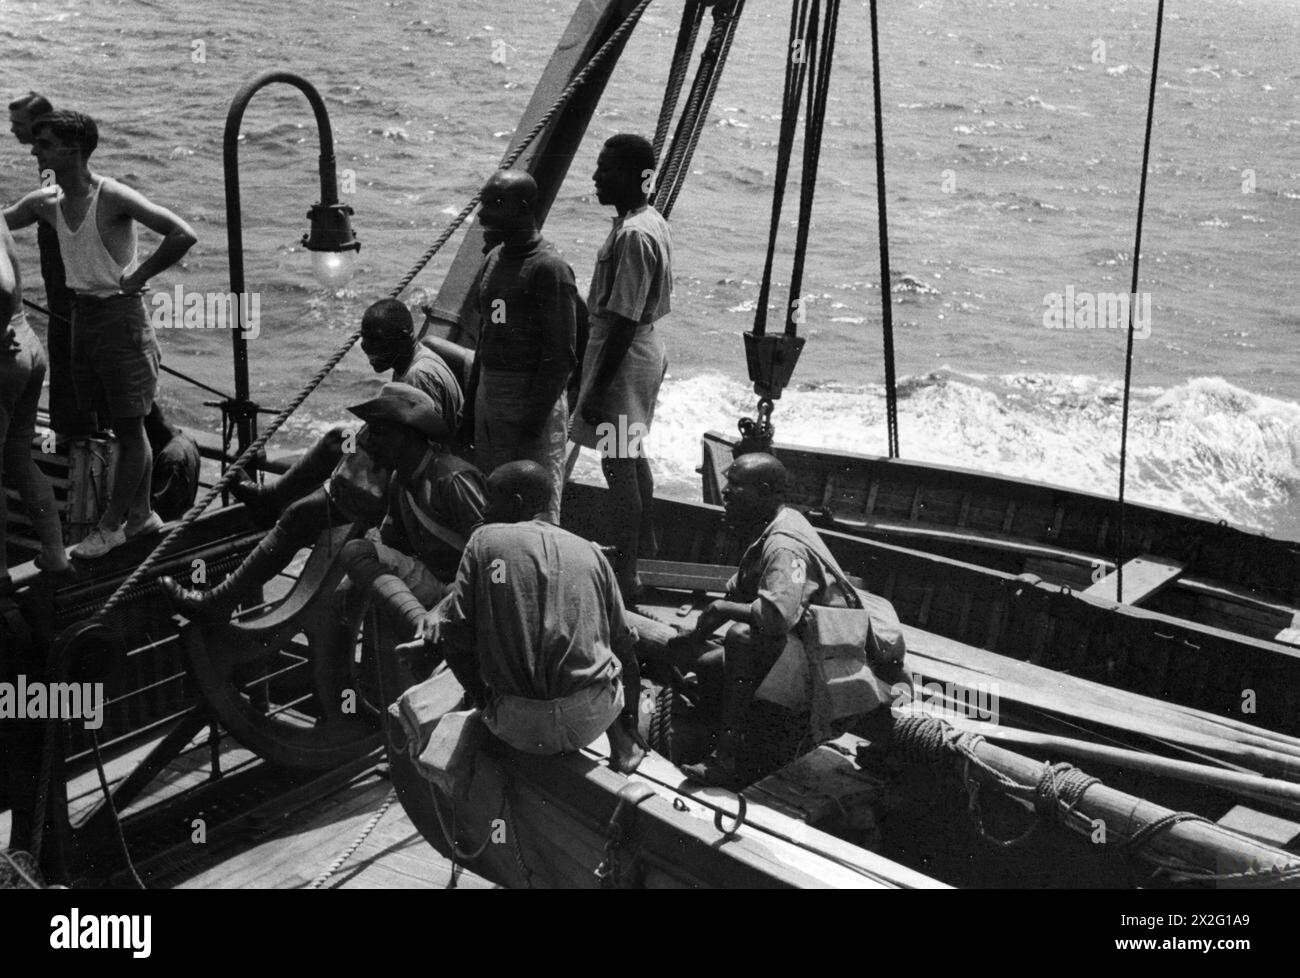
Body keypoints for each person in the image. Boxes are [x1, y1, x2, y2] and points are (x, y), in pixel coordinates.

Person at [4, 110, 197, 559]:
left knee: (130, 429)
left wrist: (139, 275)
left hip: (120, 319)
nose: (35, 151)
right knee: (120, 427)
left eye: (45, 144)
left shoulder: (111, 196)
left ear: (73, 151)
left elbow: (181, 233)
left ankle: (112, 527)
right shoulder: (45, 203)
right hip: (82, 319)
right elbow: (1, 221)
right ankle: (142, 514)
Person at [161, 383, 483, 620]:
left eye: (378, 431)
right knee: (348, 565)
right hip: (435, 578)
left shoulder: (451, 480)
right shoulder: (402, 481)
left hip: (462, 591)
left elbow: (491, 550)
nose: (366, 440)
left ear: (405, 435)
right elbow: (392, 541)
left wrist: (446, 607)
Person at [405, 460, 645, 773]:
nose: (484, 509)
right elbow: (624, 647)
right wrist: (629, 722)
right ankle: (625, 744)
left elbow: (456, 639)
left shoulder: (483, 541)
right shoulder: (591, 551)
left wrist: (484, 700)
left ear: (516, 503)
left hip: (517, 728)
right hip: (590, 720)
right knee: (615, 653)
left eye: (490, 499)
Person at [679, 453, 879, 788]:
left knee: (742, 639)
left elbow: (776, 618)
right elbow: (744, 590)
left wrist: (721, 611)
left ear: (768, 492)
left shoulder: (784, 546)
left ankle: (726, 758)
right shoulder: (780, 522)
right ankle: (747, 738)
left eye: (737, 486)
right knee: (707, 663)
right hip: (811, 647)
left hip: (827, 668)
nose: (726, 492)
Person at [230, 298, 463, 525]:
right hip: (406, 464)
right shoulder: (412, 361)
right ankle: (270, 497)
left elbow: (417, 455)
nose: (365, 347)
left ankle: (271, 500)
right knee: (339, 439)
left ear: (402, 339)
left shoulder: (417, 377)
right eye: (364, 338)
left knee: (296, 518)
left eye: (376, 339)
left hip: (419, 483)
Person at [569, 134, 673, 600]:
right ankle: (644, 542)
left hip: (623, 357)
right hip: (638, 352)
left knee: (618, 464)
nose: (596, 177)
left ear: (636, 176)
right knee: (632, 456)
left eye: (607, 169)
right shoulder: (648, 220)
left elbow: (625, 319)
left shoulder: (633, 234)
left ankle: (627, 572)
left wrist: (592, 392)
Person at [464, 169, 577, 522]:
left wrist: (531, 425)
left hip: (531, 403)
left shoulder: (549, 269)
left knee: (536, 507)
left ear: (524, 207)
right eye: (482, 203)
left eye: (494, 204)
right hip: (491, 397)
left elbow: (561, 357)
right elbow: (488, 333)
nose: (482, 214)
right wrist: (471, 405)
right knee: (495, 496)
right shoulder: (495, 258)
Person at [8, 92, 94, 438]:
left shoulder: (51, 160)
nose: (13, 131)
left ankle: (74, 429)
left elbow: (57, 206)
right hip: (57, 254)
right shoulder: (47, 160)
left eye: (18, 124)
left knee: (65, 336)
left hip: (65, 261)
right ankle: (71, 424)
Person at [1, 217, 72, 598]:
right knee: (18, 461)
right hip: (29, 346)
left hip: (5, 357)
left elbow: (3, 284)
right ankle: (56, 554)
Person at [144, 401, 200, 522]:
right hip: (185, 514)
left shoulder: (171, 458)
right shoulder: (187, 439)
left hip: (170, 526)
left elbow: (161, 513)